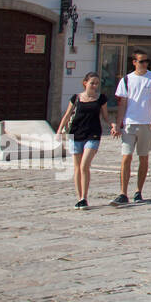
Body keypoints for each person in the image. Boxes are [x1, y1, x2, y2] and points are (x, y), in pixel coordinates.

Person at [112, 50, 151, 205]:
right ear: (134, 62)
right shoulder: (126, 80)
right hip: (130, 122)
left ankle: (138, 191)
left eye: (147, 61)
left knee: (143, 157)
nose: (145, 64)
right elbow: (122, 103)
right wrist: (118, 124)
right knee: (126, 156)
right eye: (142, 61)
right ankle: (123, 192)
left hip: (146, 122)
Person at [55, 72, 111, 209]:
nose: (95, 86)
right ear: (85, 83)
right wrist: (59, 131)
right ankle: (79, 198)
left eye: (97, 83)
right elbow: (67, 115)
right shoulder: (76, 98)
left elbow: (105, 116)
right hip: (76, 134)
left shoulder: (101, 98)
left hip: (93, 134)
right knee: (77, 167)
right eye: (92, 83)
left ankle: (84, 197)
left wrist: (113, 125)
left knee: (84, 165)